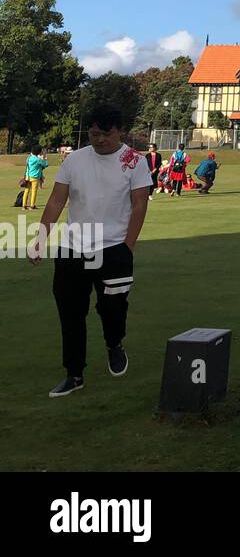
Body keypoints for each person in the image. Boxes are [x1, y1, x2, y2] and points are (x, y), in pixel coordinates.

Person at [29, 103, 152, 398]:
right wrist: (41, 237)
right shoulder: (75, 160)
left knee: (112, 309)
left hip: (113, 248)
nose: (98, 140)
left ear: (118, 131)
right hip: (73, 248)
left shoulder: (134, 161)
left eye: (105, 134)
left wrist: (128, 247)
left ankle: (114, 344)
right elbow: (57, 200)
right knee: (70, 313)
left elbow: (139, 205)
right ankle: (74, 374)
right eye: (94, 133)